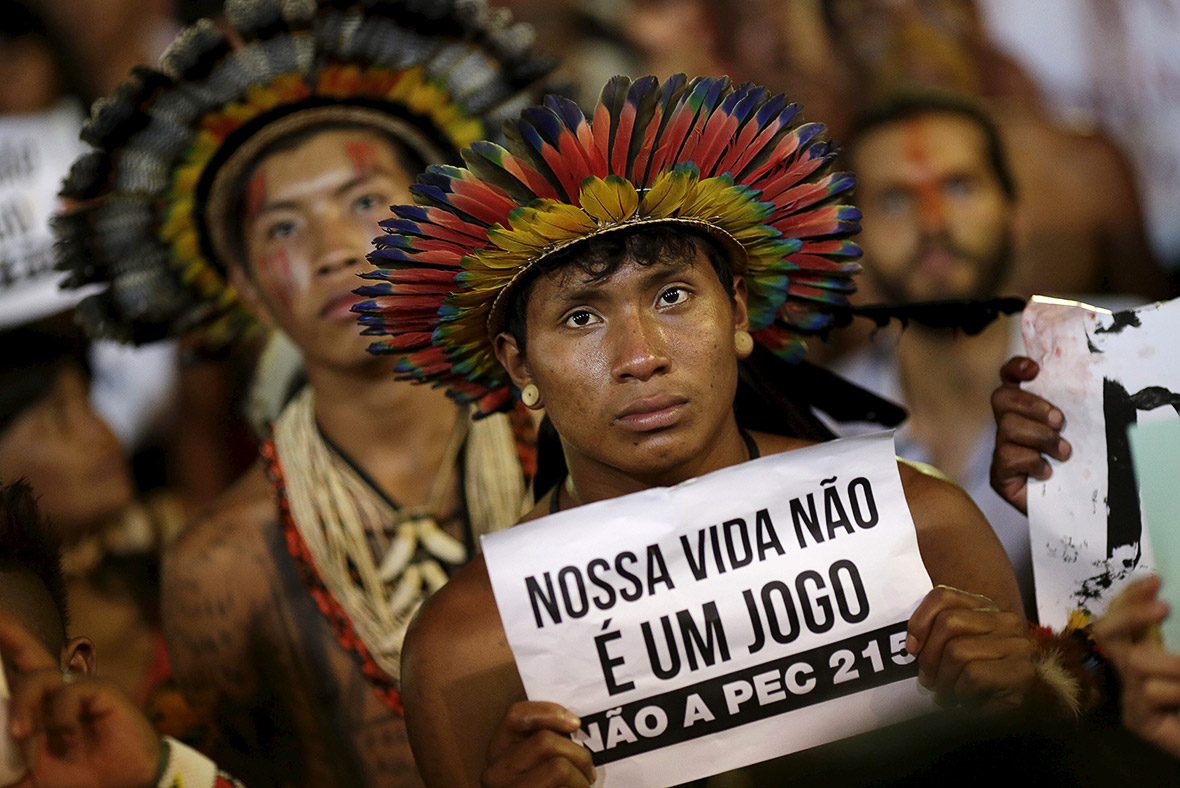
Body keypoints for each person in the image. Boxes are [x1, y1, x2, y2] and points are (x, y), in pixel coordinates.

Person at [354, 74, 1092, 787]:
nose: (641, 356)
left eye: (672, 295)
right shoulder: (468, 652)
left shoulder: (925, 528)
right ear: (520, 362)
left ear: (737, 314)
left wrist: (1026, 706)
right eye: (581, 317)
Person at [54, 1, 551, 785]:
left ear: (437, 224)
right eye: (283, 228)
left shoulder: (574, 464)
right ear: (249, 289)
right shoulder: (221, 569)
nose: (332, 252)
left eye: (362, 203)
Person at [820, 0, 1172, 303]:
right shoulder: (813, 212)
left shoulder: (1083, 168)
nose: (914, 41)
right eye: (872, 21)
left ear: (977, 18)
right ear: (831, 48)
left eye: (936, 8)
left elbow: (1154, 335)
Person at [831, 92, 1034, 614]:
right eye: (895, 200)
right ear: (853, 237)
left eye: (960, 187)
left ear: (1015, 209)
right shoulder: (822, 435)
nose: (934, 222)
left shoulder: (1139, 360)